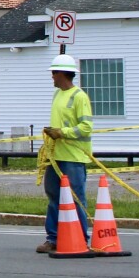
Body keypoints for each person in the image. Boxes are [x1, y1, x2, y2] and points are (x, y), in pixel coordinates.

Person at [38, 54, 94, 254]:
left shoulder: (79, 96)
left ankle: (80, 238)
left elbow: (86, 127)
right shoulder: (57, 95)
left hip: (73, 157)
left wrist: (62, 133)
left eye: (54, 73)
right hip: (56, 156)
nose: (52, 77)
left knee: (75, 197)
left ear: (62, 74)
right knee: (53, 195)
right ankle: (53, 238)